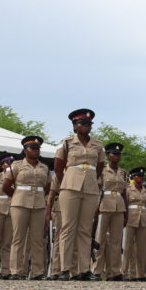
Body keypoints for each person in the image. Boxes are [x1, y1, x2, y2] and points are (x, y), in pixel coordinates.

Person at [55, 109, 105, 280]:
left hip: (90, 187)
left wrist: (91, 180)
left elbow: (99, 166)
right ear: (75, 126)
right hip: (70, 186)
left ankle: (83, 270)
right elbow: (58, 165)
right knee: (68, 227)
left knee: (85, 229)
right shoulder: (67, 143)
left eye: (89, 124)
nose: (86, 126)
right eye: (82, 124)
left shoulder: (97, 145)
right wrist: (66, 181)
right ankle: (65, 269)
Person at [4, 136, 52, 280]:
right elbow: (6, 186)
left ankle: (37, 272)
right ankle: (16, 271)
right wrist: (18, 196)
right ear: (25, 150)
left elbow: (48, 187)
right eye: (33, 148)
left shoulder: (44, 167)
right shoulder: (16, 165)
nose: (36, 151)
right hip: (20, 203)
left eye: (38, 148)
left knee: (37, 239)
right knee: (18, 238)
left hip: (38, 204)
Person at [91, 142, 127, 281]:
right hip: (104, 205)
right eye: (114, 154)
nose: (117, 156)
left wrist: (126, 212)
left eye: (118, 154)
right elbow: (96, 189)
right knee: (100, 240)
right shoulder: (102, 171)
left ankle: (114, 271)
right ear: (108, 155)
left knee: (116, 241)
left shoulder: (123, 173)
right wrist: (95, 209)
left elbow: (124, 193)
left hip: (119, 206)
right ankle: (96, 270)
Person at [123, 167, 146, 281]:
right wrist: (124, 218)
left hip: (143, 219)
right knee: (127, 247)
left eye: (142, 176)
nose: (141, 178)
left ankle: (142, 274)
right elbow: (125, 205)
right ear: (133, 177)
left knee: (142, 248)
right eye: (138, 176)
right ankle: (125, 272)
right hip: (130, 218)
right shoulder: (128, 189)